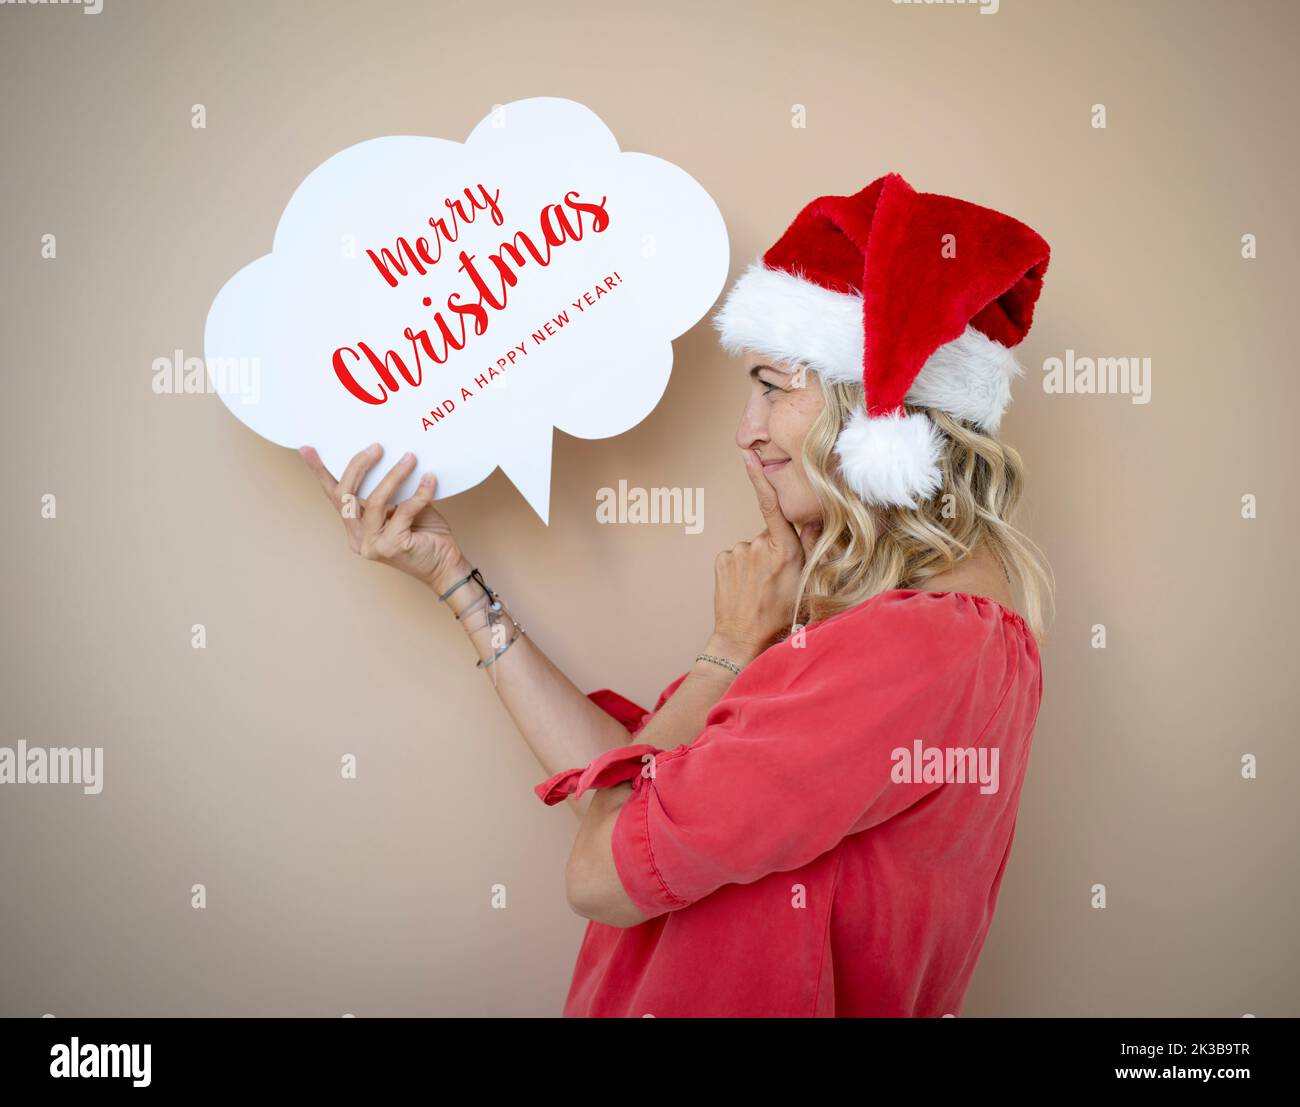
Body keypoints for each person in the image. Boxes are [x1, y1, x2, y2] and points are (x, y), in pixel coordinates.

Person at [299, 172, 1054, 1017]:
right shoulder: (908, 629)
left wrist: (727, 651)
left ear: (877, 412)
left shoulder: (910, 650)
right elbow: (623, 787)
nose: (747, 429)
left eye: (773, 384)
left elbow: (601, 870)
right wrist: (453, 577)